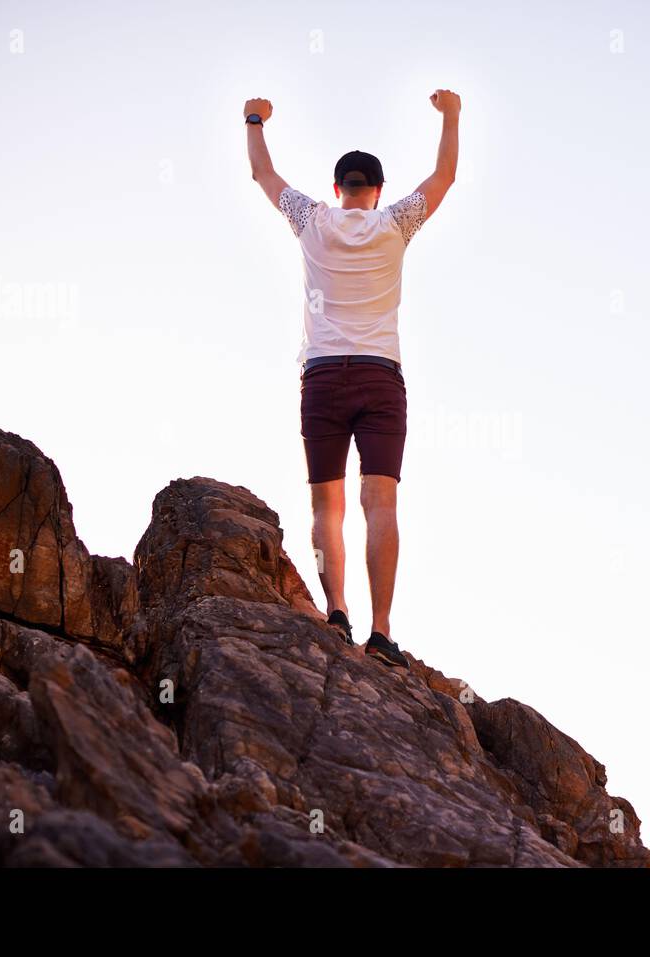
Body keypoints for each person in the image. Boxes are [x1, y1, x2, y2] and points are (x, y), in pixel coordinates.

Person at [242, 88, 460, 668]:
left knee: (326, 506)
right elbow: (444, 177)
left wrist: (255, 117)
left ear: (338, 189)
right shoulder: (395, 224)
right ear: (378, 190)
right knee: (380, 501)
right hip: (380, 378)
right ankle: (382, 632)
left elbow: (262, 173)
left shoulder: (313, 220)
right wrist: (451, 115)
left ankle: (336, 611)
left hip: (322, 380)